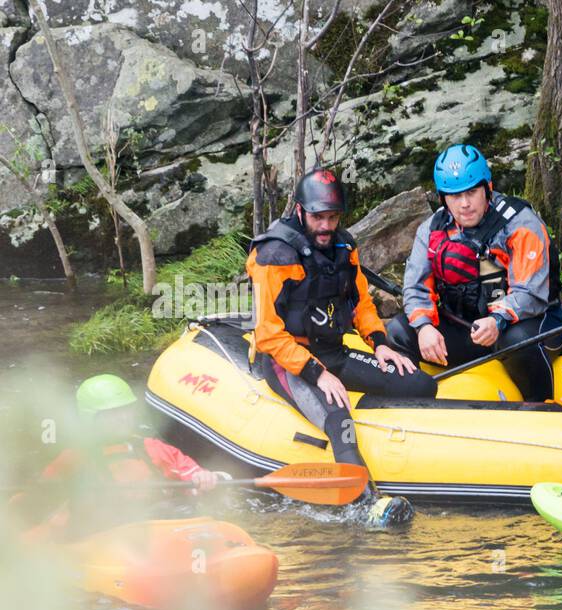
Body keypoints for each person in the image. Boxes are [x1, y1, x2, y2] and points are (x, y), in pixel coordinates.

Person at [248, 168, 425, 524]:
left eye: (332, 217)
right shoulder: (275, 255)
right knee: (339, 418)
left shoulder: (345, 247)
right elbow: (268, 333)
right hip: (290, 362)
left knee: (419, 383)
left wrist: (379, 343)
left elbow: (361, 304)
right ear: (300, 211)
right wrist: (317, 373)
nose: (326, 226)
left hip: (333, 352)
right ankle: (366, 506)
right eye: (318, 218)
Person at [398, 144, 562, 401]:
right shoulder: (432, 229)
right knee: (399, 331)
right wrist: (423, 327)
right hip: (468, 327)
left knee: (516, 340)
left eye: (472, 192)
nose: (465, 204)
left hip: (523, 324)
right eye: (455, 196)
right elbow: (415, 288)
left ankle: (543, 404)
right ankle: (415, 406)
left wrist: (498, 319)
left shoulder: (520, 223)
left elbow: (530, 292)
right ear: (443, 198)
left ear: (487, 187)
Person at [16, 375, 225, 542]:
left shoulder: (153, 448)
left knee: (182, 508)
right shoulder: (75, 458)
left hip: (156, 532)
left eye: (126, 411)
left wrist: (206, 478)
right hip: (100, 537)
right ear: (91, 419)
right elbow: (36, 498)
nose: (123, 419)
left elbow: (193, 473)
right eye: (113, 414)